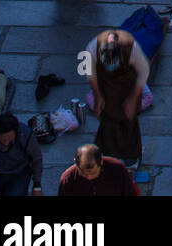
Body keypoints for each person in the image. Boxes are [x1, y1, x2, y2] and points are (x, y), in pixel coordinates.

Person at [85, 28, 149, 166]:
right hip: (106, 84)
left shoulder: (132, 48)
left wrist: (132, 98)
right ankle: (106, 154)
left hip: (128, 82)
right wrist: (98, 95)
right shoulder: (92, 49)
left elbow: (143, 72)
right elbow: (90, 74)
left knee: (129, 119)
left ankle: (131, 158)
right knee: (108, 117)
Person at [58, 143, 137, 197]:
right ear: (76, 163)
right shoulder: (68, 179)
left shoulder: (117, 170)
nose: (89, 177)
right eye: (83, 173)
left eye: (93, 173)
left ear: (101, 162)